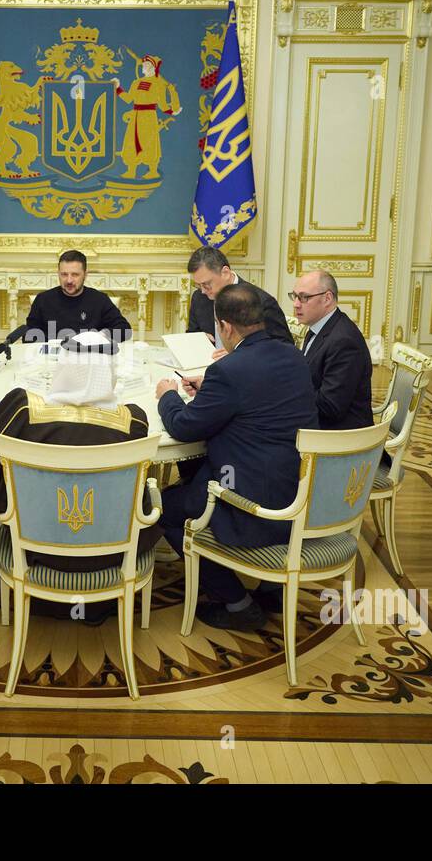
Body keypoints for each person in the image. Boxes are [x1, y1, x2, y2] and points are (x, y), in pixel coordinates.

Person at [0, 331, 159, 624]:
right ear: (111, 370)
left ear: (63, 366)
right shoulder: (133, 421)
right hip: (111, 559)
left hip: (30, 552)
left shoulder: (24, 410)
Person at [155, 283, 319, 633]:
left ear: (226, 327)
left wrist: (167, 396)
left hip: (251, 498)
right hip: (298, 485)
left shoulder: (228, 371)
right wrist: (211, 393)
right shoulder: (293, 356)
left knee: (163, 509)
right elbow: (258, 402)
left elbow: (184, 427)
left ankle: (237, 603)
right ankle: (272, 589)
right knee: (194, 478)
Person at [291, 269, 373, 431]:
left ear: (327, 298)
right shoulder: (317, 327)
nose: (296, 304)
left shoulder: (344, 342)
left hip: (339, 438)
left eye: (304, 297)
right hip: (318, 424)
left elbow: (331, 407)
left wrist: (287, 393)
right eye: (294, 296)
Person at [186, 246, 293, 359]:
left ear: (225, 273)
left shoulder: (262, 302)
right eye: (198, 285)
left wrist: (239, 355)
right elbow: (192, 334)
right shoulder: (199, 298)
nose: (202, 291)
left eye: (206, 284)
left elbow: (284, 348)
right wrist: (199, 339)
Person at [21, 250, 132, 344]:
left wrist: (99, 336)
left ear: (85, 274)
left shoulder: (99, 299)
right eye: (64, 274)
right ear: (58, 273)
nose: (69, 280)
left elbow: (125, 330)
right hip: (52, 360)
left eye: (75, 274)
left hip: (90, 360)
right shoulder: (43, 300)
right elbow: (28, 335)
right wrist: (55, 343)